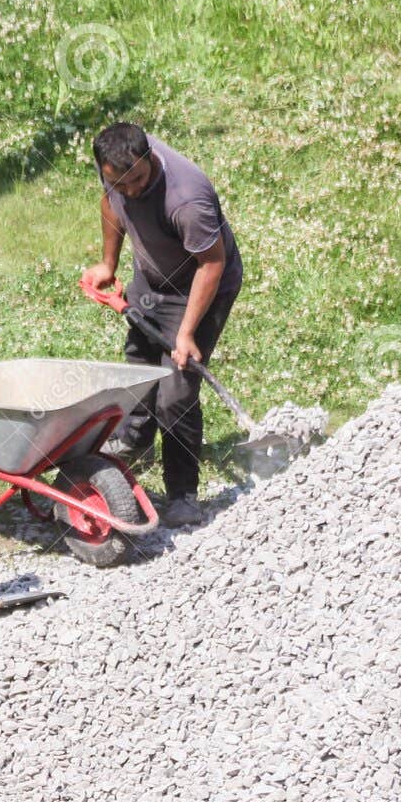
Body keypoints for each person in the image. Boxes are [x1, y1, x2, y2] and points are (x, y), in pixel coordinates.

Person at [83, 122, 244, 528]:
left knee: (176, 389)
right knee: (138, 361)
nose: (132, 190)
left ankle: (182, 493)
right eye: (121, 183)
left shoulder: (187, 198)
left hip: (199, 285)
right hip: (154, 276)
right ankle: (134, 438)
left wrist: (186, 333)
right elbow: (110, 204)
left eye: (137, 179)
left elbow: (212, 264)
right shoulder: (117, 173)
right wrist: (108, 264)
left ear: (149, 156)